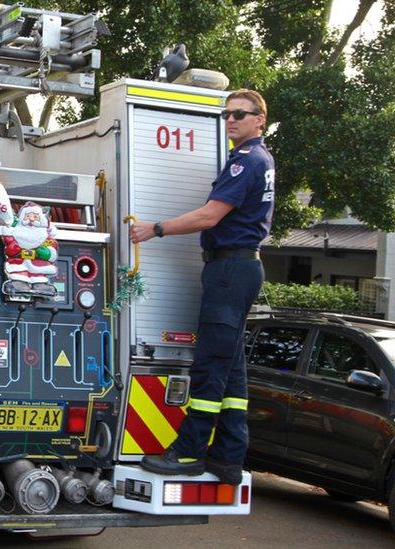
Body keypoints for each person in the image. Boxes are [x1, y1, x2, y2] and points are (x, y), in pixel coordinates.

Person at [131, 89, 275, 485]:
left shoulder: (246, 161)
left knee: (211, 364)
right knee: (232, 370)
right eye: (228, 114)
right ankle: (228, 456)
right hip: (240, 269)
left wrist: (155, 228)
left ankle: (189, 452)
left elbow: (210, 216)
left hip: (229, 270)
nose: (231, 120)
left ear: (259, 119)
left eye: (240, 114)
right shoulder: (259, 158)